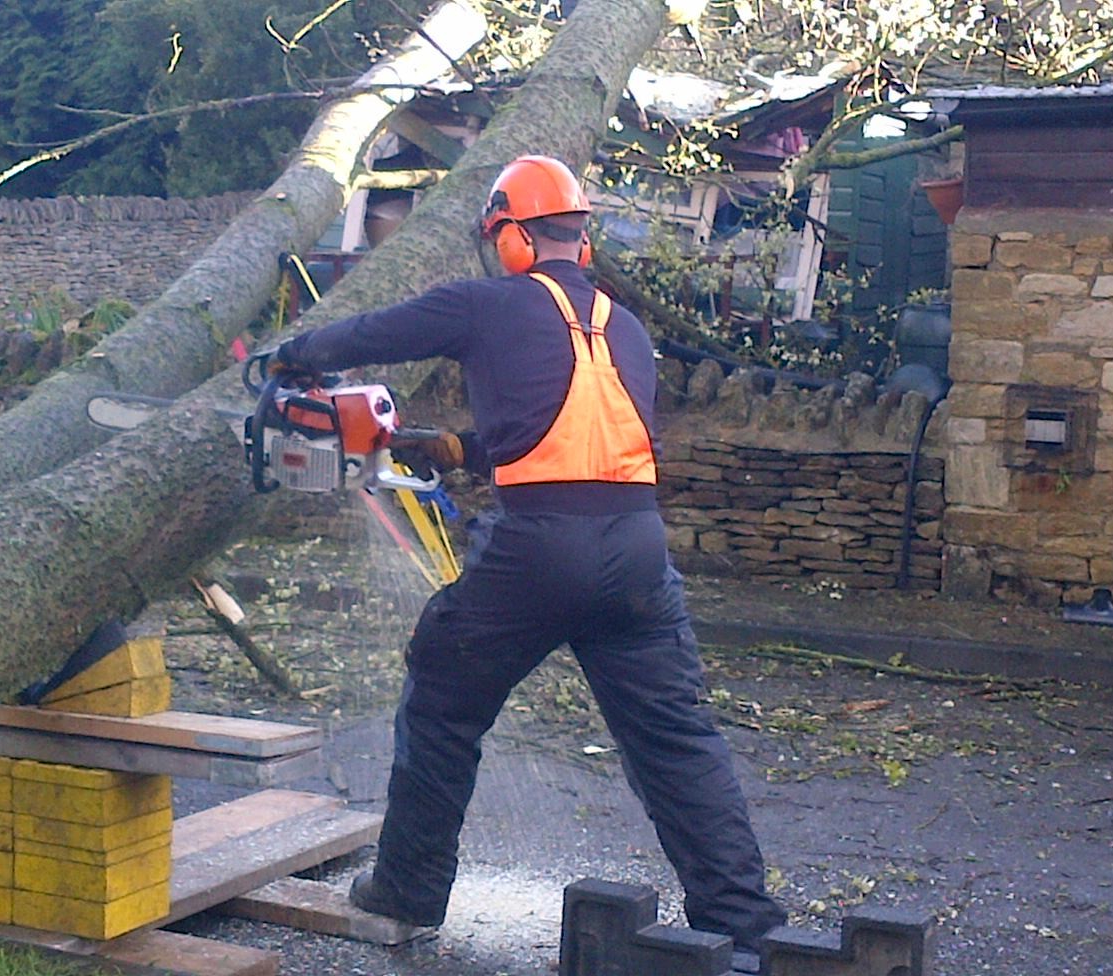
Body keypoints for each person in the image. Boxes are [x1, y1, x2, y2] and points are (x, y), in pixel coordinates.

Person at [270, 155, 786, 955]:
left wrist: (293, 354)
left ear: (510, 237)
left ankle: (404, 892)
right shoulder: (625, 327)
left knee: (442, 695)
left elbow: (380, 333)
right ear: (578, 239)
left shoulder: (484, 303)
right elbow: (572, 437)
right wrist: (457, 447)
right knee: (677, 741)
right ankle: (745, 928)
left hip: (539, 552)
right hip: (637, 553)